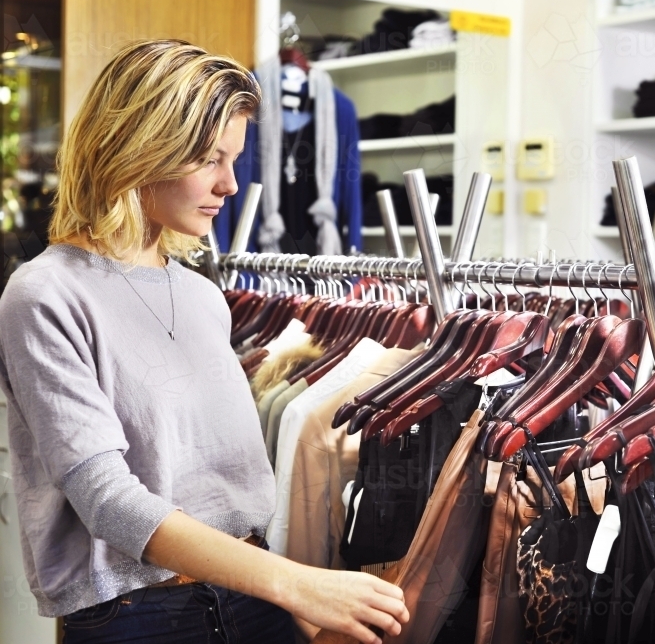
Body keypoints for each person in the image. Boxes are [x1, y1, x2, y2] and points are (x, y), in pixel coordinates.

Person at [0, 39, 408, 644]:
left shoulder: (201, 296)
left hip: (259, 603)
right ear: (143, 146)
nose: (232, 184)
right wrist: (297, 584)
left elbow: (232, 492)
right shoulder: (44, 295)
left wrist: (294, 604)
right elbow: (106, 500)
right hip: (141, 617)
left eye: (236, 159)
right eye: (212, 159)